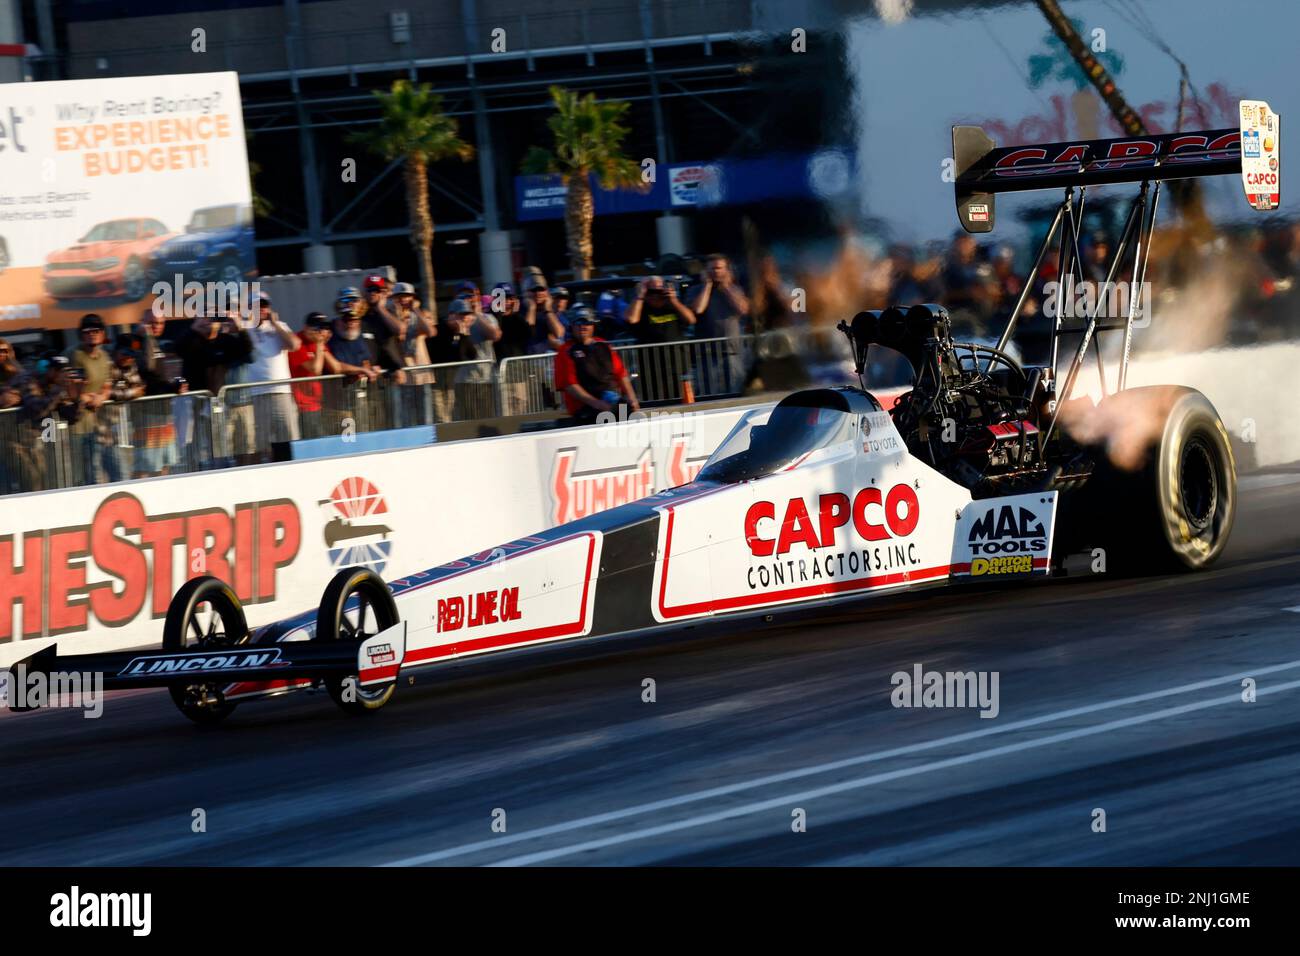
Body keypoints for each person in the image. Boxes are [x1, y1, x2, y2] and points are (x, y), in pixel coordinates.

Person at [228, 292, 302, 462]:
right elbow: (231, 332)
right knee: (262, 443)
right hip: (256, 393)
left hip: (282, 391)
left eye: (264, 305)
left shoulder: (280, 326)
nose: (261, 309)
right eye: (256, 305)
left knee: (288, 439)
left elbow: (294, 345)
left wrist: (275, 324)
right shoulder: (244, 327)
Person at [553, 305, 640, 425]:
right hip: (584, 407)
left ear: (593, 325)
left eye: (587, 322)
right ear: (572, 326)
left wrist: (632, 398)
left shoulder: (603, 345)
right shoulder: (565, 351)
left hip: (609, 400)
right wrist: (597, 404)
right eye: (578, 322)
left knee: (632, 415)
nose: (583, 326)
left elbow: (621, 373)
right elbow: (570, 385)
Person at [64, 313, 119, 485]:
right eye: (88, 331)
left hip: (101, 425)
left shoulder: (105, 357)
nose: (92, 334)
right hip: (78, 425)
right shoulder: (75, 355)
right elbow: (68, 389)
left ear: (103, 333)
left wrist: (101, 397)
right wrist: (87, 398)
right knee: (88, 475)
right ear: (81, 334)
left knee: (116, 471)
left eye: (96, 330)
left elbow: (108, 384)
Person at [691, 254, 750, 395]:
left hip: (732, 351)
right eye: (713, 269)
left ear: (726, 270)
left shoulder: (735, 289)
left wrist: (726, 287)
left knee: (736, 392)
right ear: (706, 270)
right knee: (711, 394)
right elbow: (698, 309)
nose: (716, 272)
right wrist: (707, 285)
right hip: (707, 353)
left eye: (720, 268)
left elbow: (743, 309)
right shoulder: (696, 290)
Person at [289, 312, 352, 437]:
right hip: (302, 406)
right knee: (311, 443)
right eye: (316, 327)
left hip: (316, 403)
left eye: (322, 328)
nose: (320, 332)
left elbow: (336, 367)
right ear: (306, 328)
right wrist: (319, 344)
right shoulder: (298, 342)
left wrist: (363, 369)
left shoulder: (317, 343)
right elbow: (316, 369)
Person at [427, 298, 477, 421]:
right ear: (451, 315)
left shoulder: (459, 333)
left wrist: (464, 335)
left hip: (449, 384)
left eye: (466, 315)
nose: (464, 319)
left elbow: (472, 354)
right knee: (441, 420)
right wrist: (460, 334)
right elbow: (457, 357)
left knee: (448, 420)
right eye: (461, 315)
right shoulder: (439, 330)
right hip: (434, 385)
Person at [625, 275, 695, 343]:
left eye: (659, 291)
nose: (655, 295)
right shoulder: (639, 307)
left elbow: (691, 320)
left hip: (678, 352)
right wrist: (640, 297)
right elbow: (632, 319)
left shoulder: (673, 305)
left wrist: (674, 300)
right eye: (651, 292)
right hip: (651, 353)